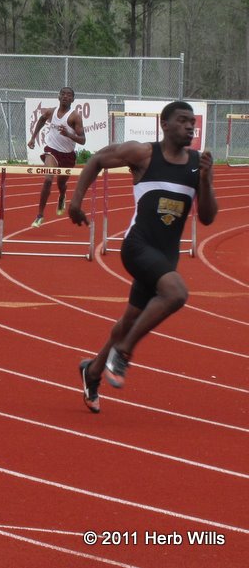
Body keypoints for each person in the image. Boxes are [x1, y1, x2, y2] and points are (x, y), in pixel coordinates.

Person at [69, 101, 217, 413]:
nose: (190, 126)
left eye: (192, 121)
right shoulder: (143, 154)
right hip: (137, 247)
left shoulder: (196, 164)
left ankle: (92, 370)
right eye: (182, 120)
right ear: (164, 124)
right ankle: (122, 353)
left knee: (131, 318)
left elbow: (206, 218)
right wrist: (76, 202)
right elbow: (97, 159)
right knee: (176, 293)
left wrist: (204, 180)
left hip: (165, 256)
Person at [26, 87, 86, 227]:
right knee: (48, 180)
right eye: (63, 94)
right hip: (51, 151)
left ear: (73, 99)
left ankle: (62, 194)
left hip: (68, 155)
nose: (65, 97)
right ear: (58, 97)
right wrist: (33, 138)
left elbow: (83, 140)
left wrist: (69, 134)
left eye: (69, 95)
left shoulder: (74, 117)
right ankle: (40, 215)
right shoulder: (50, 112)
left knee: (61, 184)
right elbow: (41, 120)